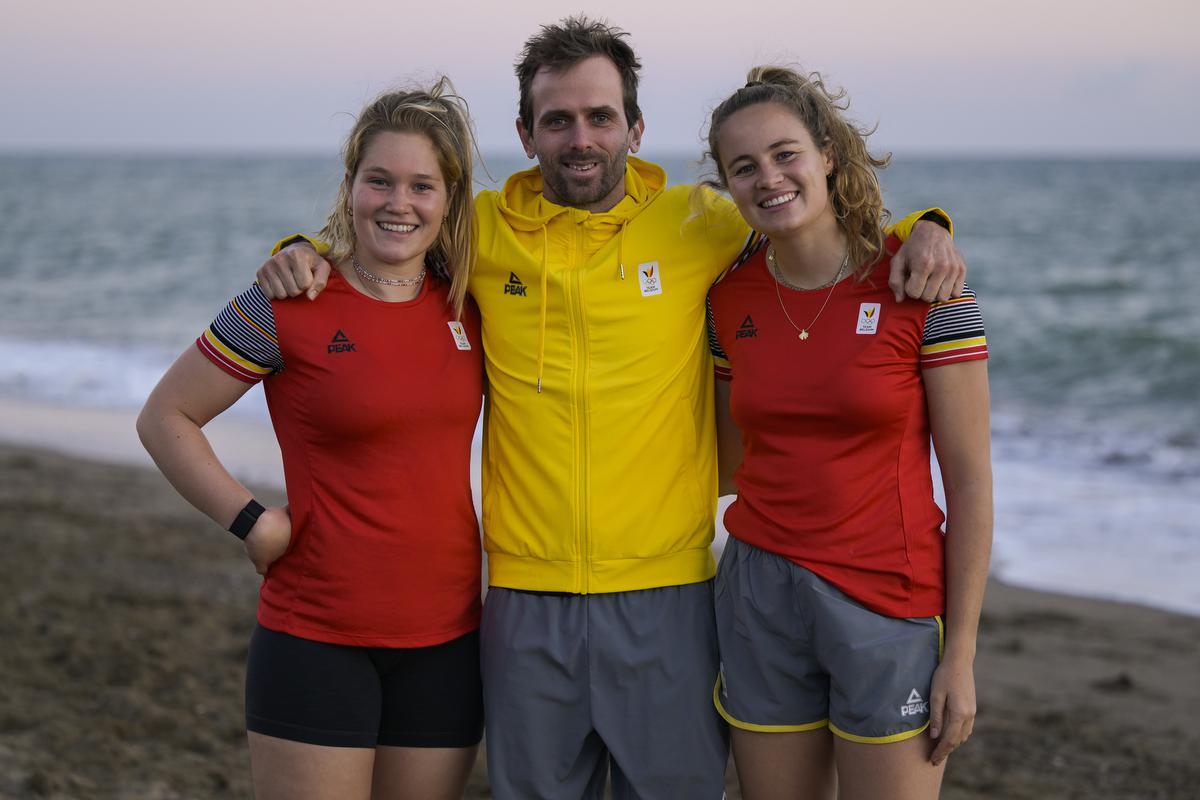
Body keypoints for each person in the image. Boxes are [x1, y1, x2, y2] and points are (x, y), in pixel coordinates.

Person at [256, 18, 967, 800]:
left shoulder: (705, 221)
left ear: (635, 127)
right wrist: (303, 250)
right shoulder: (481, 232)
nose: (581, 138)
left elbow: (814, 227)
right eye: (557, 120)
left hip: (669, 594)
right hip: (525, 599)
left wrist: (922, 228)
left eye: (600, 117)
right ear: (527, 134)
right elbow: (384, 238)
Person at [136, 79, 485, 800]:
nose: (399, 202)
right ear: (350, 184)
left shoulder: (472, 303)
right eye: (379, 180)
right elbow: (166, 417)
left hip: (449, 638)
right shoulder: (286, 300)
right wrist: (250, 521)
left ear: (450, 198)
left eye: (423, 185)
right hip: (316, 637)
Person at [704, 66, 992, 800]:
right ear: (726, 184)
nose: (768, 178)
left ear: (827, 153)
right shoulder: (726, 298)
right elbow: (732, 464)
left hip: (888, 602)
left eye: (785, 153)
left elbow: (969, 484)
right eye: (744, 167)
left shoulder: (924, 284)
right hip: (759, 595)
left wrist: (958, 656)